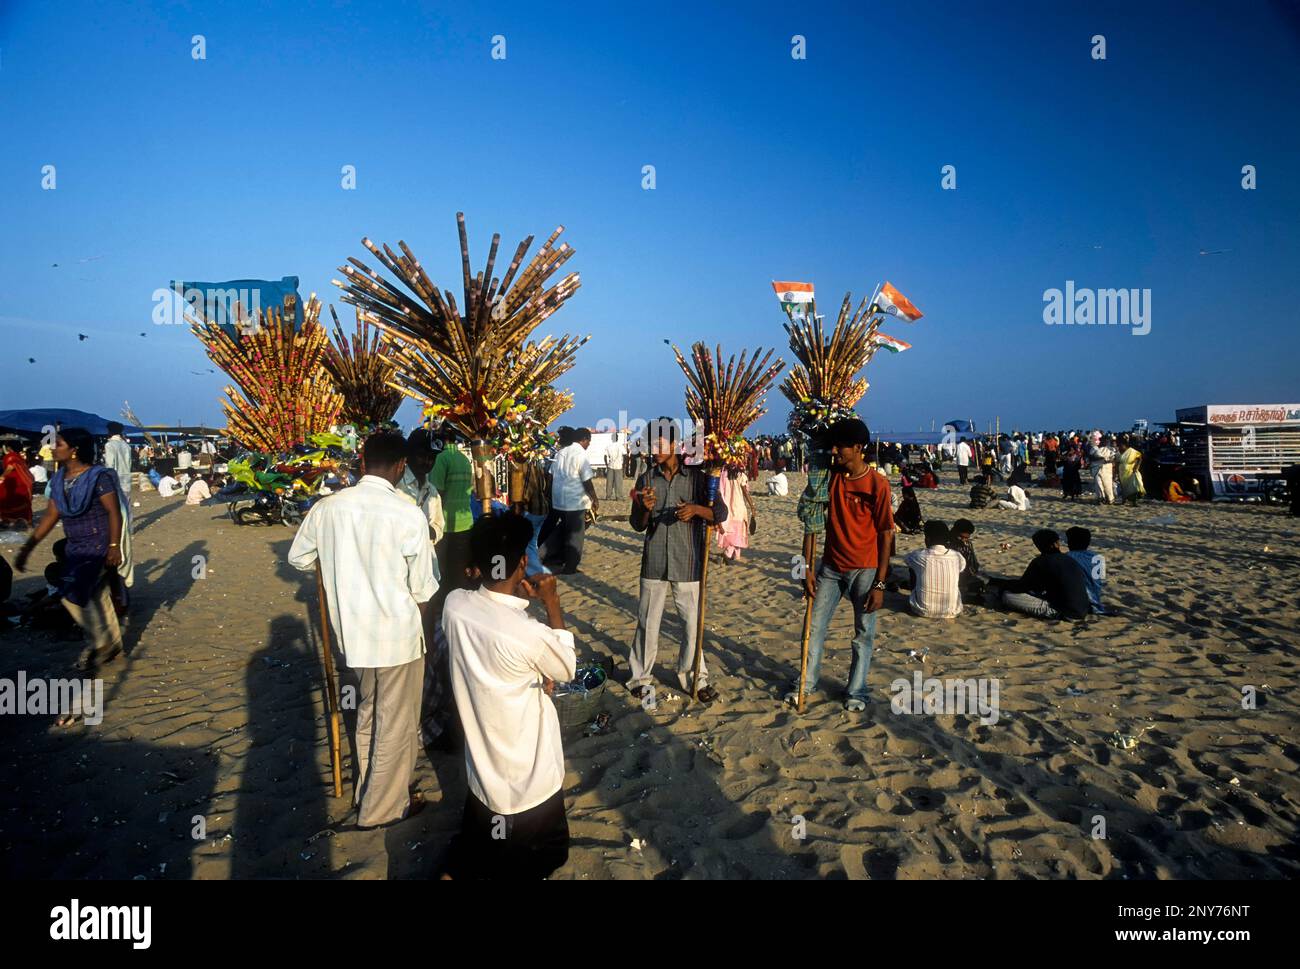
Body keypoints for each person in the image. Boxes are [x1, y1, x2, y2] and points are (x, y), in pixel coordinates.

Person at [287, 431, 437, 829]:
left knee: (370, 715)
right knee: (397, 725)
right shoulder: (407, 513)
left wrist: (337, 560)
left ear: (362, 462)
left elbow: (299, 558)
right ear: (401, 465)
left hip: (352, 637)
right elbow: (423, 588)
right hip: (398, 637)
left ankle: (367, 790)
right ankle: (382, 809)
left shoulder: (328, 508)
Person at [442, 513, 576, 880]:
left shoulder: (454, 606)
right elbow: (566, 668)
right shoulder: (528, 635)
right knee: (535, 860)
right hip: (527, 782)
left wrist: (516, 598)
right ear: (521, 563)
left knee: (479, 845)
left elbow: (494, 631)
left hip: (482, 774)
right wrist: (550, 602)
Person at [13, 428, 134, 692]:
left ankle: (100, 642)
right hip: (75, 545)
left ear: (74, 449)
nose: (53, 448)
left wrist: (114, 545)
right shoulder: (59, 479)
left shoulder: (98, 477)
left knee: (71, 593)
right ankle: (112, 646)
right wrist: (27, 548)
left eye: (59, 444)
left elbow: (114, 512)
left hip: (98, 542)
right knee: (97, 593)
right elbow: (50, 517)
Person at [786, 418, 893, 712]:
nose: (835, 451)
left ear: (858, 448)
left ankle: (857, 690)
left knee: (863, 633)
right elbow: (812, 524)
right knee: (814, 626)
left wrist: (881, 583)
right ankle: (806, 683)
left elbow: (886, 534)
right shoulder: (828, 479)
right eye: (833, 445)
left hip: (865, 569)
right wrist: (806, 568)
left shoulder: (878, 484)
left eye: (841, 446)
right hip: (830, 567)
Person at [628, 417, 727, 702]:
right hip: (655, 561)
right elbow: (637, 524)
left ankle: (695, 677)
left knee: (691, 624)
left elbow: (719, 513)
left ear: (675, 444)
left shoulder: (698, 478)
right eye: (651, 443)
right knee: (648, 622)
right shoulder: (646, 478)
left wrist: (696, 509)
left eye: (660, 442)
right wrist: (645, 509)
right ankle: (640, 677)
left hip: (688, 561)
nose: (654, 448)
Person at [998, 529, 1090, 621]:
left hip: (1064, 612)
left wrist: (1002, 586)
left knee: (1008, 596)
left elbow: (1021, 587)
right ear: (1057, 543)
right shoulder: (1068, 558)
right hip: (1082, 609)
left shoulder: (1041, 561)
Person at [543, 427, 598, 574]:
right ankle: (570, 566)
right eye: (589, 442)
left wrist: (549, 493)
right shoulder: (580, 454)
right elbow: (587, 480)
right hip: (575, 501)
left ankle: (554, 557)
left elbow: (550, 475)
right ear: (584, 440)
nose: (589, 445)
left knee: (562, 531)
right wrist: (594, 498)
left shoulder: (561, 453)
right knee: (575, 535)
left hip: (559, 501)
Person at [431, 430, 474, 609]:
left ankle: (445, 606)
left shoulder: (441, 459)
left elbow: (436, 492)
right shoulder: (464, 459)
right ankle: (461, 605)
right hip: (466, 521)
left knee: (443, 570)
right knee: (459, 567)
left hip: (446, 523)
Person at [905, 520, 965, 619]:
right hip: (952, 612)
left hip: (922, 610)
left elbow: (907, 560)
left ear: (927, 539)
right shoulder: (957, 556)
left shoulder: (919, 556)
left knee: (913, 569)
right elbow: (962, 568)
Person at [715, 464, 753, 562]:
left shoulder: (723, 473)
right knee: (738, 532)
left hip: (726, 506)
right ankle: (728, 553)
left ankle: (733, 554)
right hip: (738, 506)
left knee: (730, 530)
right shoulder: (740, 475)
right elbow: (745, 492)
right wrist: (752, 506)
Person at [1065, 526, 1107, 615]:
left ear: (1070, 542)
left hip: (1077, 602)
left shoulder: (1066, 557)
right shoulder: (1098, 557)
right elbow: (1099, 581)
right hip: (1095, 601)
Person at [948, 518, 988, 601]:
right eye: (961, 537)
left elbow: (973, 564)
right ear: (954, 531)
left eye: (966, 538)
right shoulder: (946, 543)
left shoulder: (967, 543)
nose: (963, 540)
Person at [0, 440, 35, 526]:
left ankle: (8, 520)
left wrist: (2, 476)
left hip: (13, 483)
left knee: (9, 500)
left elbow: (10, 466)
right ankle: (25, 520)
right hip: (21, 482)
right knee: (21, 501)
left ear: (9, 448)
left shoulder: (10, 456)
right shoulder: (19, 456)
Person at [104, 421, 133, 493]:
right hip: (126, 477)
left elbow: (110, 464)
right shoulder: (126, 445)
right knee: (126, 502)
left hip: (115, 478)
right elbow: (129, 462)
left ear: (110, 431)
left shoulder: (109, 445)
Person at [1117, 436, 1146, 505]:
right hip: (1122, 472)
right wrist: (1116, 473)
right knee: (1124, 486)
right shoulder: (1118, 453)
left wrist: (1136, 466)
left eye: (1121, 446)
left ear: (1125, 445)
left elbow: (1140, 458)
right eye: (1119, 446)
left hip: (1131, 471)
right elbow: (1117, 463)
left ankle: (1134, 502)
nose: (1120, 447)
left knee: (1133, 486)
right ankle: (1123, 500)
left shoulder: (1132, 451)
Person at [604, 432, 625, 500]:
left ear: (612, 438)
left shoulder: (608, 446)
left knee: (609, 482)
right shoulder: (621, 446)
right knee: (618, 482)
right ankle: (618, 497)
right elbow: (625, 455)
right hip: (619, 466)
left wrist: (607, 465)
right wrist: (624, 464)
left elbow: (605, 456)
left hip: (610, 465)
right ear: (617, 438)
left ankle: (608, 496)